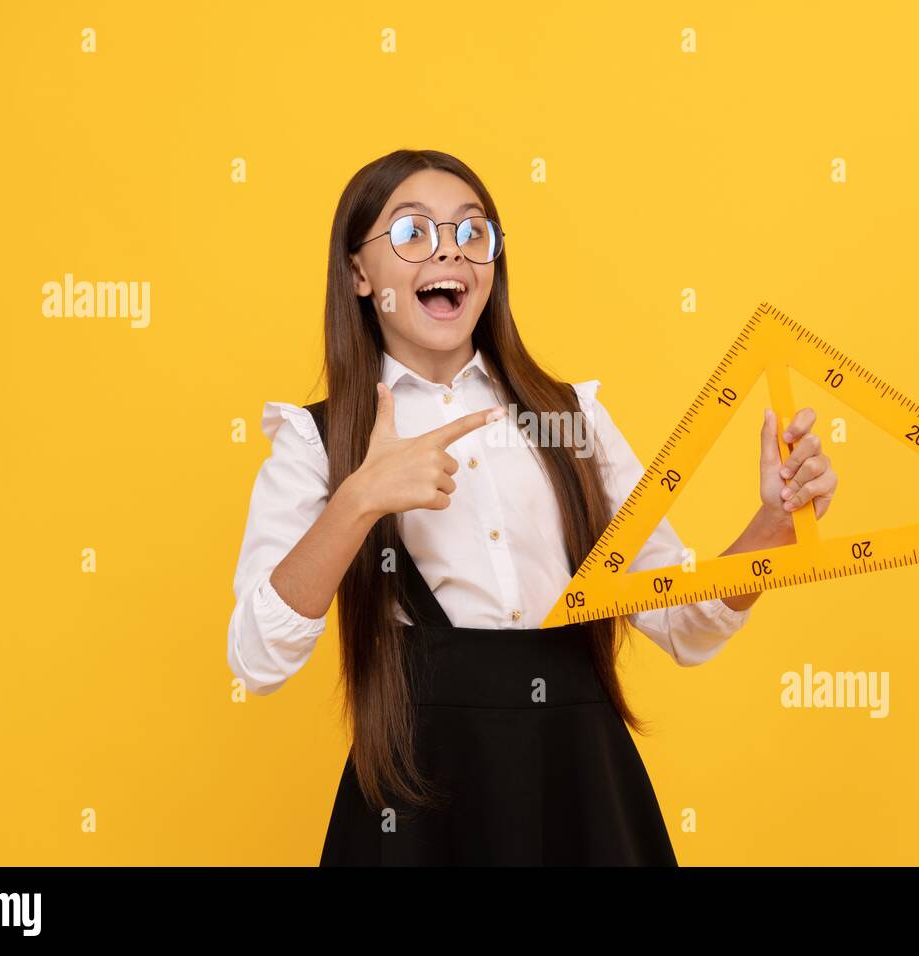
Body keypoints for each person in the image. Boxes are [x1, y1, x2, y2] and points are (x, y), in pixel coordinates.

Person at [226, 148, 839, 865]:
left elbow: (684, 624)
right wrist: (358, 500)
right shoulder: (316, 439)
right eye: (412, 232)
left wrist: (773, 525)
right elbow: (256, 658)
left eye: (471, 231)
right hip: (418, 807)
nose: (448, 249)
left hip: (578, 785)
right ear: (360, 274)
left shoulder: (572, 418)